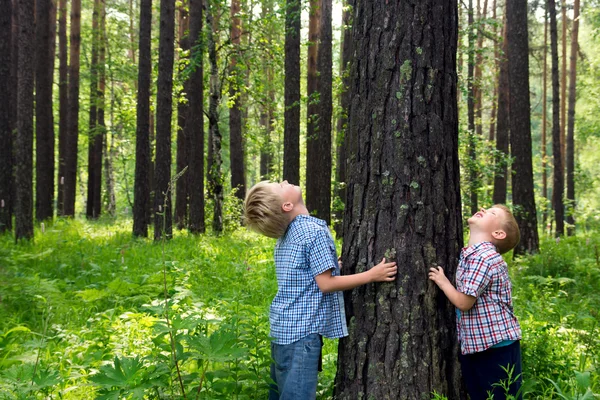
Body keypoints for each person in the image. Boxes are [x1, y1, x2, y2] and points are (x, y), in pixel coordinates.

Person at [244, 180, 397, 400]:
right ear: (286, 205)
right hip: (301, 333)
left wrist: (333, 266)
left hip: (282, 330)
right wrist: (371, 275)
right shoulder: (313, 231)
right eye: (280, 185)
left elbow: (302, 275)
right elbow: (325, 284)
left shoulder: (286, 237)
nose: (284, 181)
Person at [428, 205, 523, 400]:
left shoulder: (483, 258)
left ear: (498, 233)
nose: (483, 208)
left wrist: (443, 282)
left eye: (492, 212)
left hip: (494, 348)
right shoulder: (472, 254)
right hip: (480, 345)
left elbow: (464, 302)